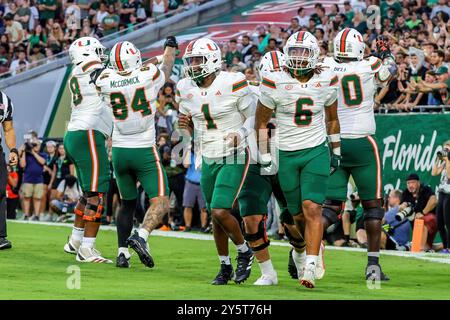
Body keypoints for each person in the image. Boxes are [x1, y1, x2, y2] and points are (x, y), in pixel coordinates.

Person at [255, 31, 341, 289]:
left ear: (314, 54)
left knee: (312, 207)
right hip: (287, 154)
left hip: (315, 150)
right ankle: (312, 249)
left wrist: (336, 149)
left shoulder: (327, 78)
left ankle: (311, 266)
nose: (298, 57)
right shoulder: (273, 80)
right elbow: (260, 122)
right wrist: (265, 155)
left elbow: (332, 118)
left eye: (304, 52)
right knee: (296, 216)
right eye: (294, 52)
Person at [177, 38, 255, 285]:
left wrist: (240, 133)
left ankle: (244, 251)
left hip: (234, 153)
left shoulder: (232, 81)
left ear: (211, 59)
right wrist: (186, 128)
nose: (194, 66)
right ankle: (224, 266)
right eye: (191, 61)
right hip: (207, 154)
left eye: (198, 60)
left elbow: (253, 116)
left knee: (221, 209)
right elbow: (189, 129)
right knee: (215, 214)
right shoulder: (186, 87)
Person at [94, 38, 177, 268]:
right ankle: (141, 236)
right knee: (161, 200)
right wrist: (169, 49)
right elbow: (168, 66)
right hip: (144, 148)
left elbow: (105, 74)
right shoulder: (147, 73)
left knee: (126, 202)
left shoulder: (105, 80)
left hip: (119, 150)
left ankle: (122, 253)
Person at [322, 29, 397, 281]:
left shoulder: (325, 65)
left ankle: (303, 249)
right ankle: (373, 266)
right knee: (373, 207)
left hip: (333, 141)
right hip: (362, 141)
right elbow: (389, 72)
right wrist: (385, 53)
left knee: (330, 207)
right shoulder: (370, 64)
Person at [237, 50, 292, 286]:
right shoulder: (248, 92)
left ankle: (299, 252)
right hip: (257, 161)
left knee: (294, 220)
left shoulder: (297, 90)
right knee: (250, 218)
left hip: (287, 160)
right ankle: (268, 272)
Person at [63, 37, 113, 264]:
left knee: (87, 192)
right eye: (98, 52)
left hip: (76, 133)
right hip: (89, 133)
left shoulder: (75, 72)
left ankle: (75, 240)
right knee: (97, 194)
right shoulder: (93, 67)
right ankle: (87, 249)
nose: (102, 56)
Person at [0, 91, 19, 250]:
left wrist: (13, 149)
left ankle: (0, 237)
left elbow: (8, 129)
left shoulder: (5, 99)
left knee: (0, 192)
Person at [401, 173, 438, 251]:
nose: (410, 185)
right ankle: (444, 245)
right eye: (408, 183)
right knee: (427, 246)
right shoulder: (406, 193)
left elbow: (434, 201)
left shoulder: (425, 189)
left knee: (422, 220)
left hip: (430, 222)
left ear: (418, 183)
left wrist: (423, 212)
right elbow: (401, 208)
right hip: (416, 225)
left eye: (413, 182)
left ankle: (419, 248)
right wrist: (402, 206)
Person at [19, 137, 47, 221]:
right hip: (28, 179)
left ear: (40, 145)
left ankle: (36, 215)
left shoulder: (43, 154)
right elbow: (22, 165)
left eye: (37, 144)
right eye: (34, 145)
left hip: (39, 180)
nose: (35, 146)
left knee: (37, 198)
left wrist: (33, 152)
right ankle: (26, 215)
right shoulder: (27, 155)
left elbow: (43, 162)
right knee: (26, 197)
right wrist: (24, 151)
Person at [182, 146, 207, 232]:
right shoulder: (191, 155)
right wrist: (188, 150)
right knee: (187, 206)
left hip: (202, 184)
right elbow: (186, 165)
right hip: (190, 183)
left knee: (203, 208)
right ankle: (187, 226)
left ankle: (203, 227)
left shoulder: (206, 156)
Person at [432, 141, 450, 253]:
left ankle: (449, 247)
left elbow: (449, 175)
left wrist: (448, 159)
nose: (445, 151)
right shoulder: (444, 162)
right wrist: (438, 159)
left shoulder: (448, 162)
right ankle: (445, 247)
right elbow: (434, 173)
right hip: (442, 193)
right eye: (444, 148)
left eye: (447, 148)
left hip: (449, 194)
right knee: (439, 222)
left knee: (448, 222)